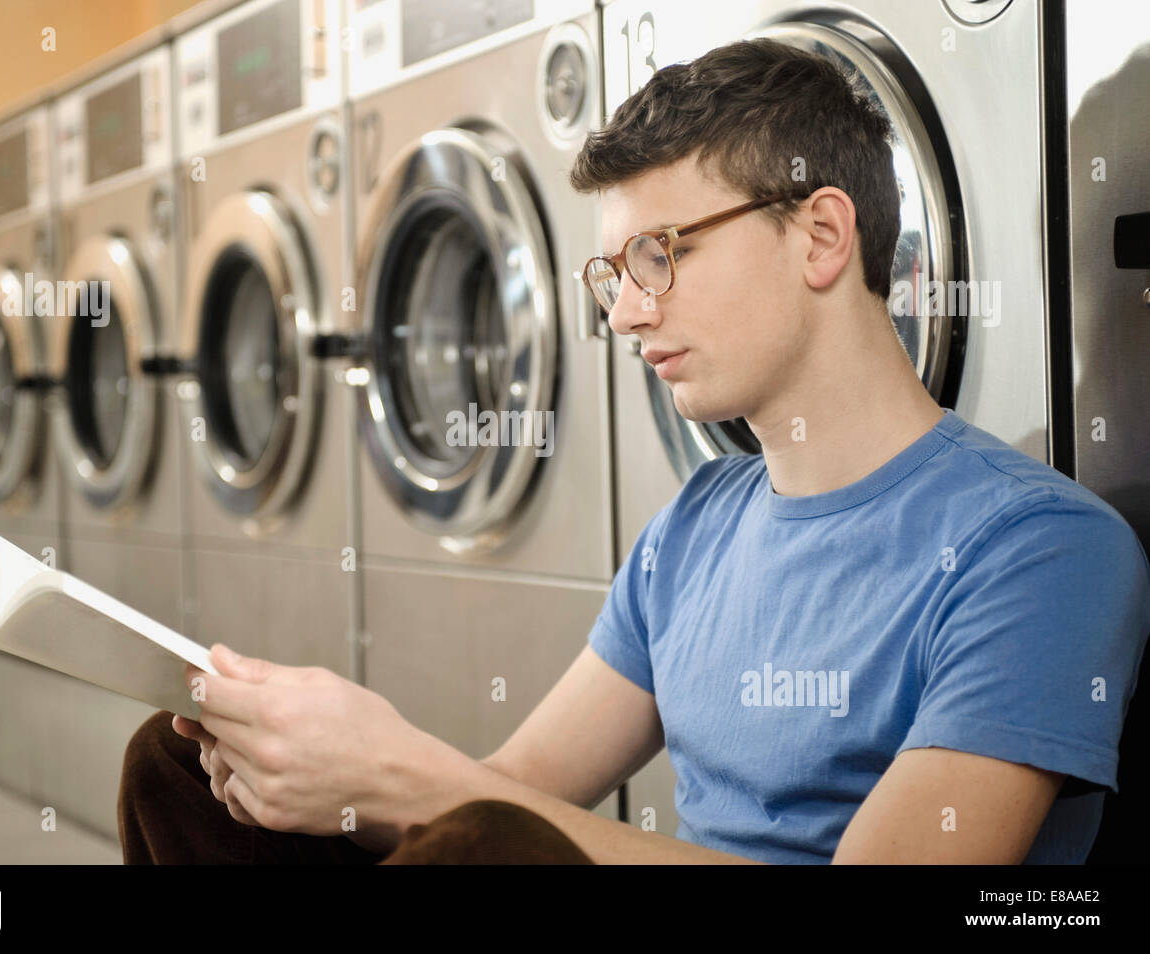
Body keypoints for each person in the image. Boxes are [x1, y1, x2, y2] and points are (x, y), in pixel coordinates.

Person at [118, 37, 1150, 864]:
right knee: (178, 770)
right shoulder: (695, 529)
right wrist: (333, 773)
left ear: (821, 237)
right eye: (612, 274)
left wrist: (412, 777)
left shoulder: (1039, 550)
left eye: (661, 255)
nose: (625, 314)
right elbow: (523, 786)